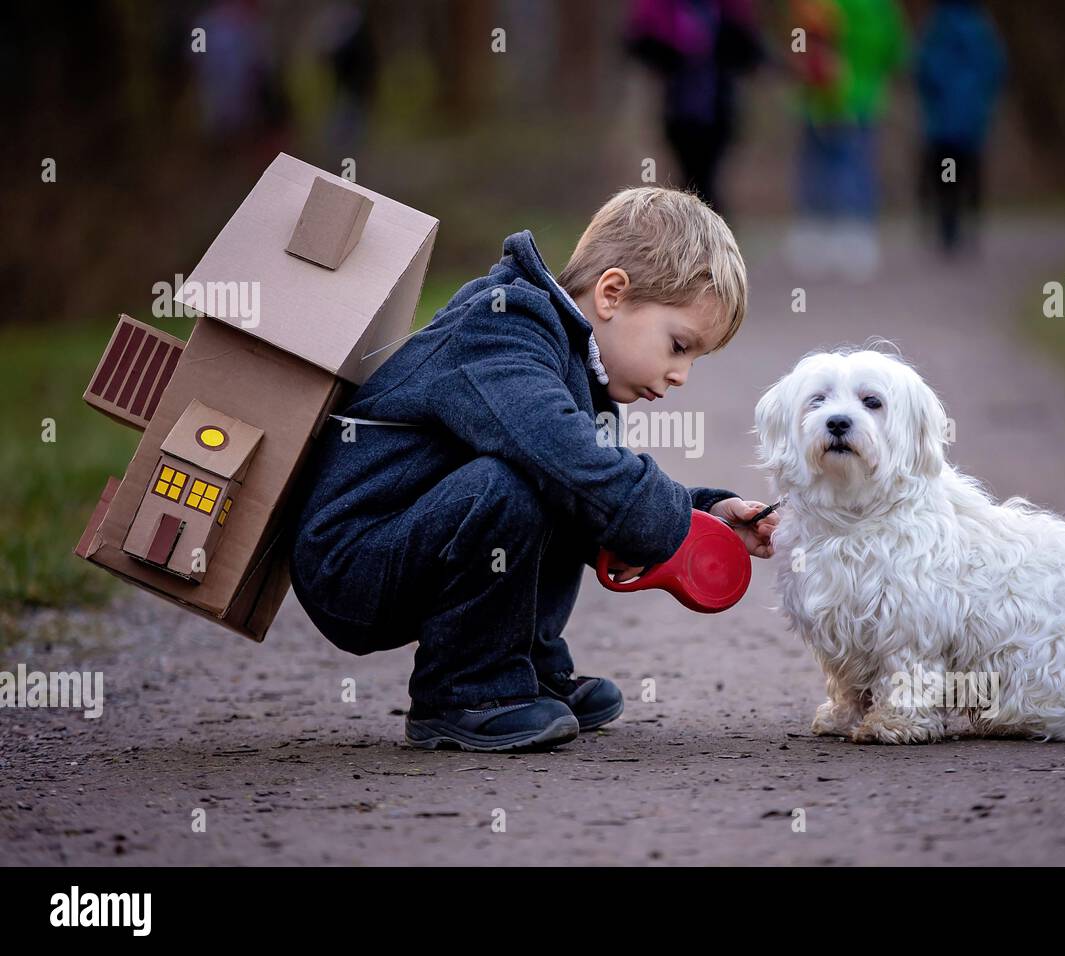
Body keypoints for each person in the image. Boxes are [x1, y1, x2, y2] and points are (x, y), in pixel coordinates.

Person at [287, 187, 779, 753]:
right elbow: (564, 457)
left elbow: (598, 492)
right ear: (612, 294)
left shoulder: (578, 372)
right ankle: (468, 692)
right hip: (353, 556)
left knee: (565, 487)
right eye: (678, 346)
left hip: (408, 537)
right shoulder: (502, 326)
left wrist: (704, 515)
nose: (680, 375)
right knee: (525, 480)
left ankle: (527, 668)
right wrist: (660, 517)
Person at [785, 0, 908, 280]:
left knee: (818, 164)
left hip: (820, 97)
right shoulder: (880, 8)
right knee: (854, 165)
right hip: (860, 98)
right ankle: (854, 235)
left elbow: (797, 41)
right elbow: (895, 50)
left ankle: (814, 232)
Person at [625, 0, 766, 216]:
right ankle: (692, 230)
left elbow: (749, 50)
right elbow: (637, 42)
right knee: (690, 179)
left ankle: (706, 231)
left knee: (706, 180)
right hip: (679, 111)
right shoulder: (668, 10)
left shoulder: (725, 10)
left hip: (716, 111)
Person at [915, 0, 1006, 253]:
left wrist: (931, 100)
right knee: (970, 174)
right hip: (972, 120)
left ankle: (948, 229)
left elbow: (923, 68)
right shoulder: (980, 27)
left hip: (941, 122)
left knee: (946, 176)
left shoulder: (937, 27)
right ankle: (971, 226)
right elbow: (995, 68)